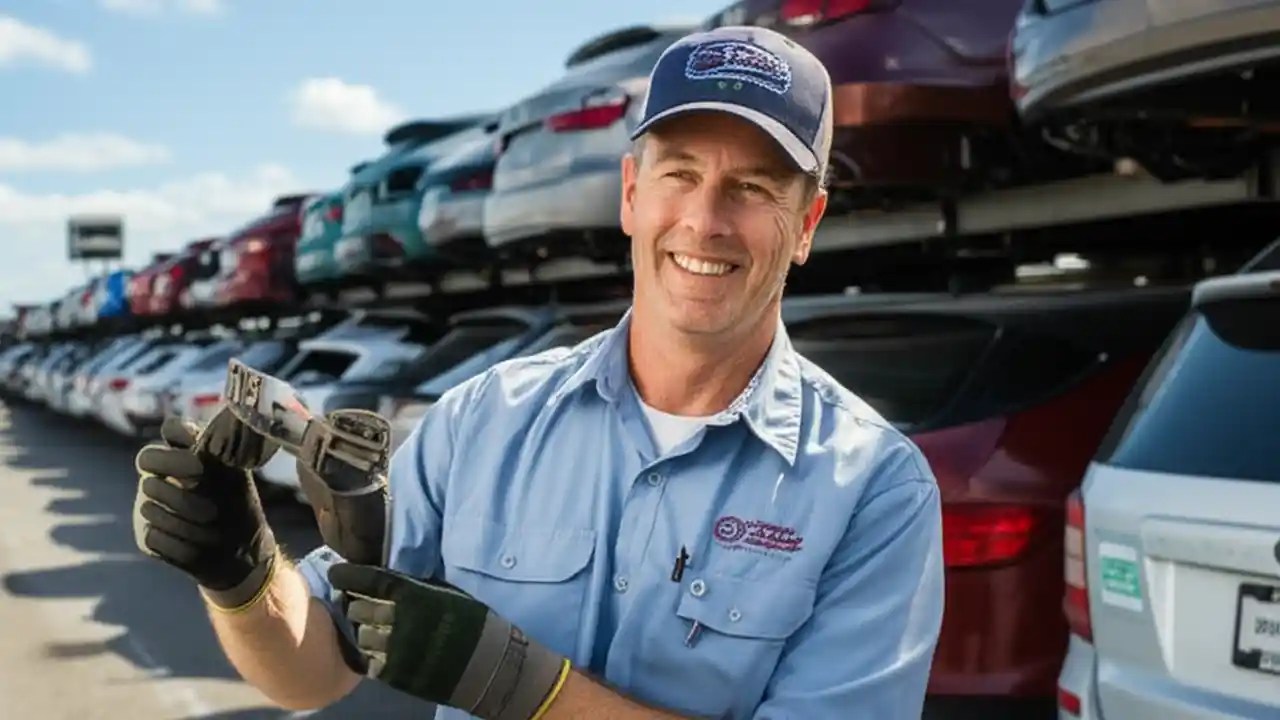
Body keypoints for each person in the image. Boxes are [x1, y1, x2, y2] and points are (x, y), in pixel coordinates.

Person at [132, 24, 945, 720]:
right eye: (681, 175)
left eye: (752, 187)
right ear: (631, 193)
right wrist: (240, 573)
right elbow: (311, 673)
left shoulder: (875, 491)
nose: (705, 219)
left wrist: (532, 690)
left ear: (806, 224)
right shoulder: (485, 418)